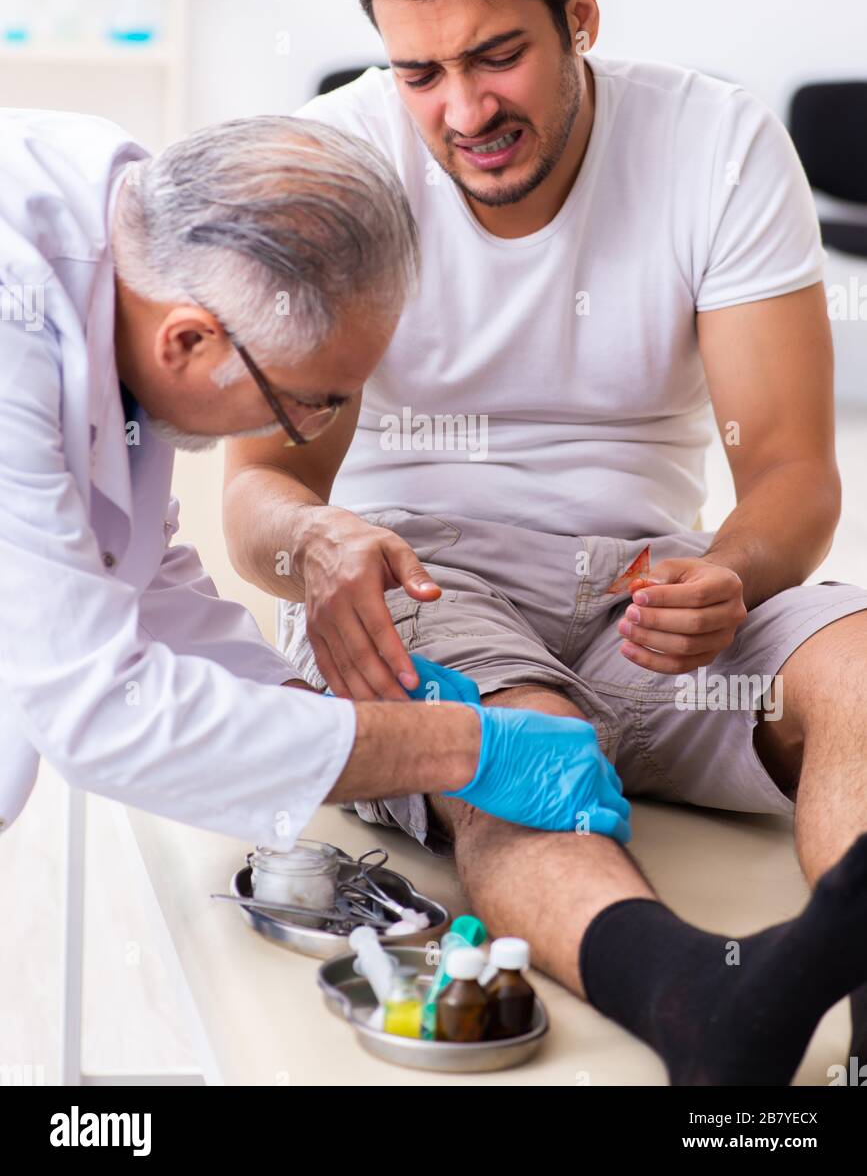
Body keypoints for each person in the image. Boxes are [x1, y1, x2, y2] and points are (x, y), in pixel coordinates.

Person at [223, 0, 867, 1084]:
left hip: (657, 592)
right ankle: (691, 1003)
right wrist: (321, 545)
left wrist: (729, 571)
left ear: (580, 12)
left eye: (495, 56)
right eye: (421, 71)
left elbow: (790, 470)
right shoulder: (337, 164)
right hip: (418, 577)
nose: (463, 111)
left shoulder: (716, 142)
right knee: (513, 747)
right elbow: (261, 486)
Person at [0, 107, 628, 849]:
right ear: (191, 340)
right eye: (304, 404)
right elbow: (102, 713)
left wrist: (306, 705)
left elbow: (113, 559)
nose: (302, 437)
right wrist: (459, 747)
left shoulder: (140, 239)